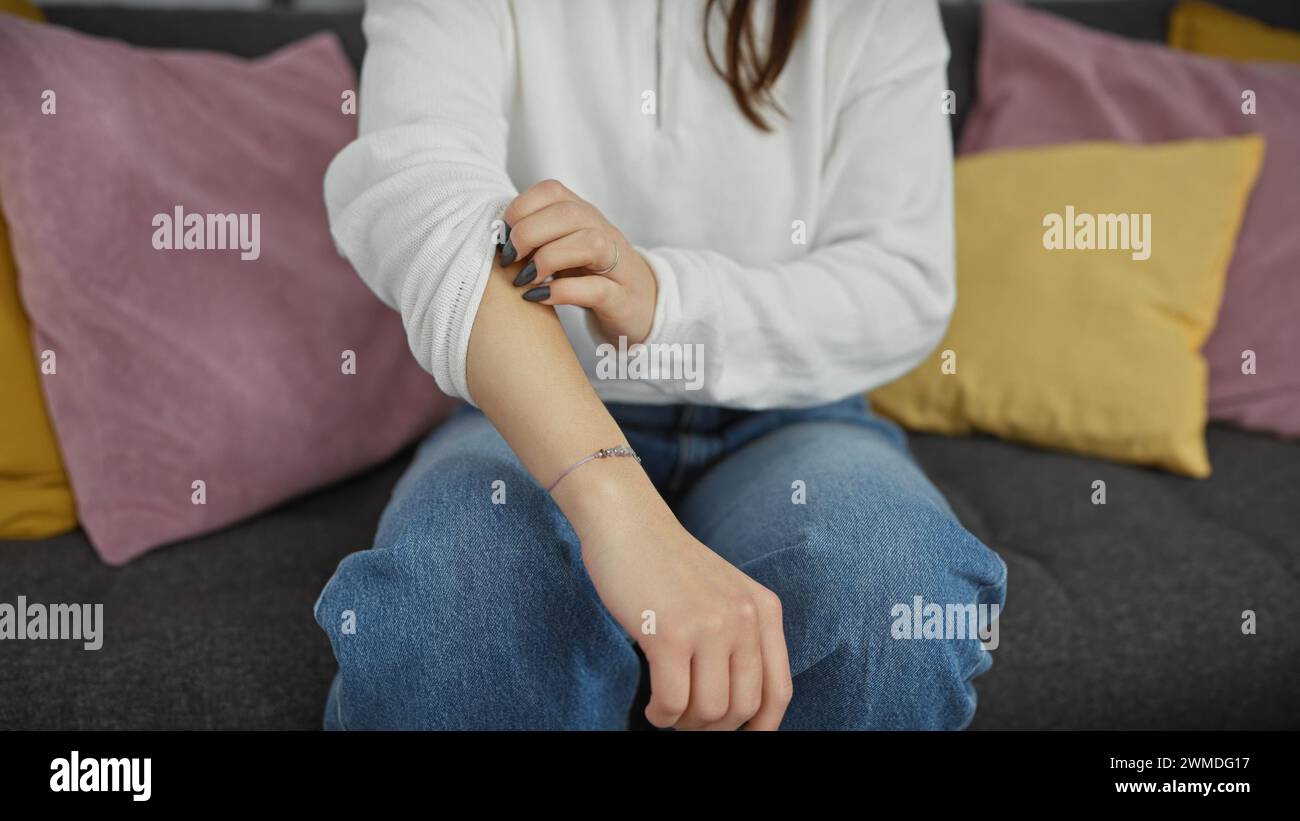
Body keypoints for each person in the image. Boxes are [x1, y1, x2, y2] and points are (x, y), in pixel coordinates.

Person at [314, 0, 1007, 731]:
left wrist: (662, 301)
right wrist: (619, 507)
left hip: (791, 417)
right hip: (529, 407)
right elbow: (429, 205)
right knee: (458, 597)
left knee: (889, 582)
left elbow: (901, 281)